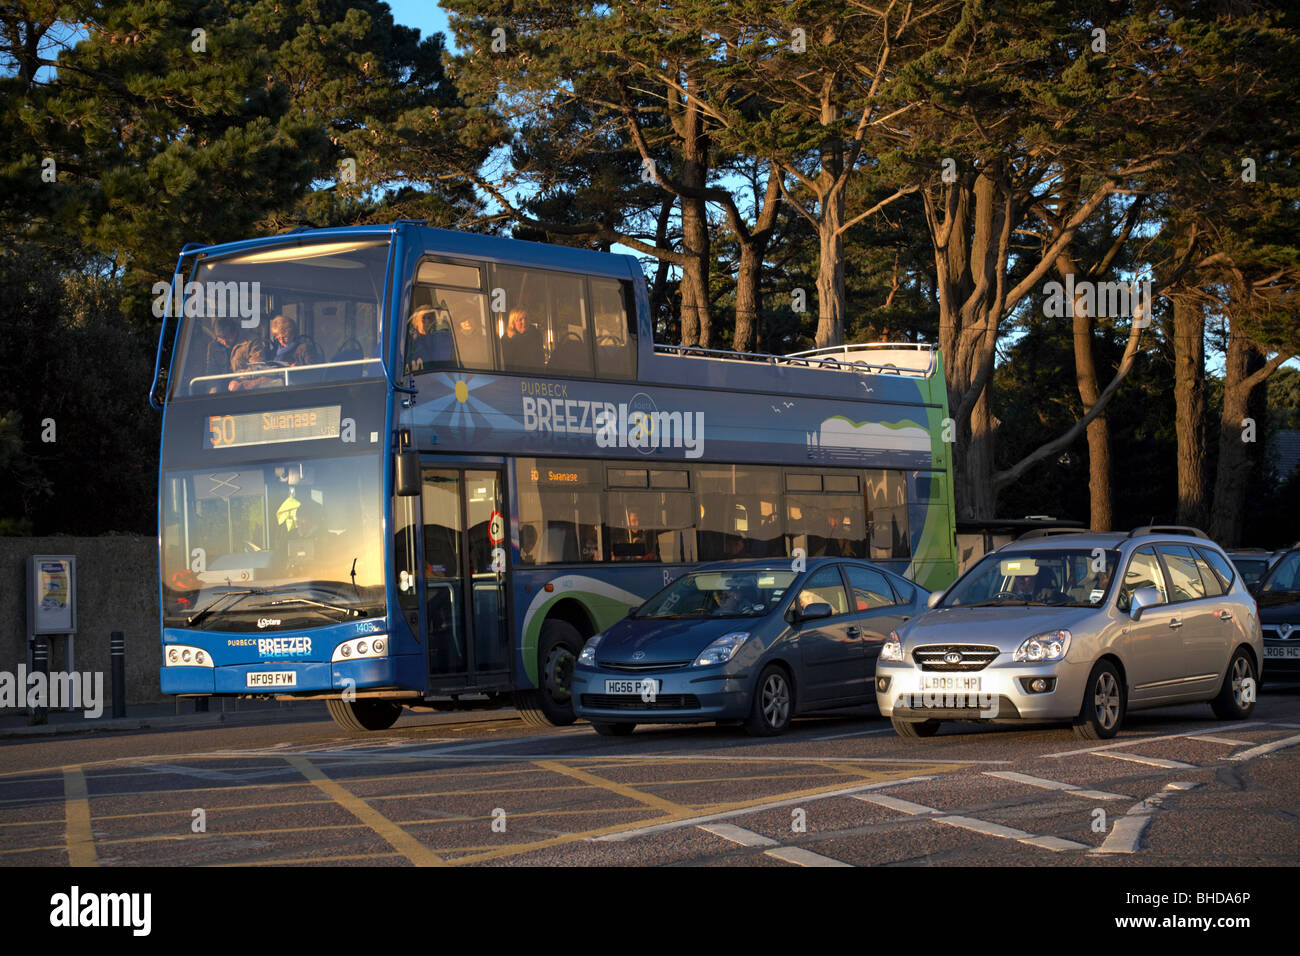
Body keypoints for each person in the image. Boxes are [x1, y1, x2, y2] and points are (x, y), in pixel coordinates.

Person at [407, 306, 453, 371]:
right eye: (423, 318)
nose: (427, 321)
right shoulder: (409, 342)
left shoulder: (438, 339)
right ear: (415, 322)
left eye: (429, 318)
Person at [206, 318, 240, 390]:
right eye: (221, 339)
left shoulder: (248, 344)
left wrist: (239, 381)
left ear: (235, 333)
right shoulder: (213, 346)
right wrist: (212, 390)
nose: (225, 342)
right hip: (221, 388)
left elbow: (256, 368)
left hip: (242, 386)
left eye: (228, 338)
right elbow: (211, 371)